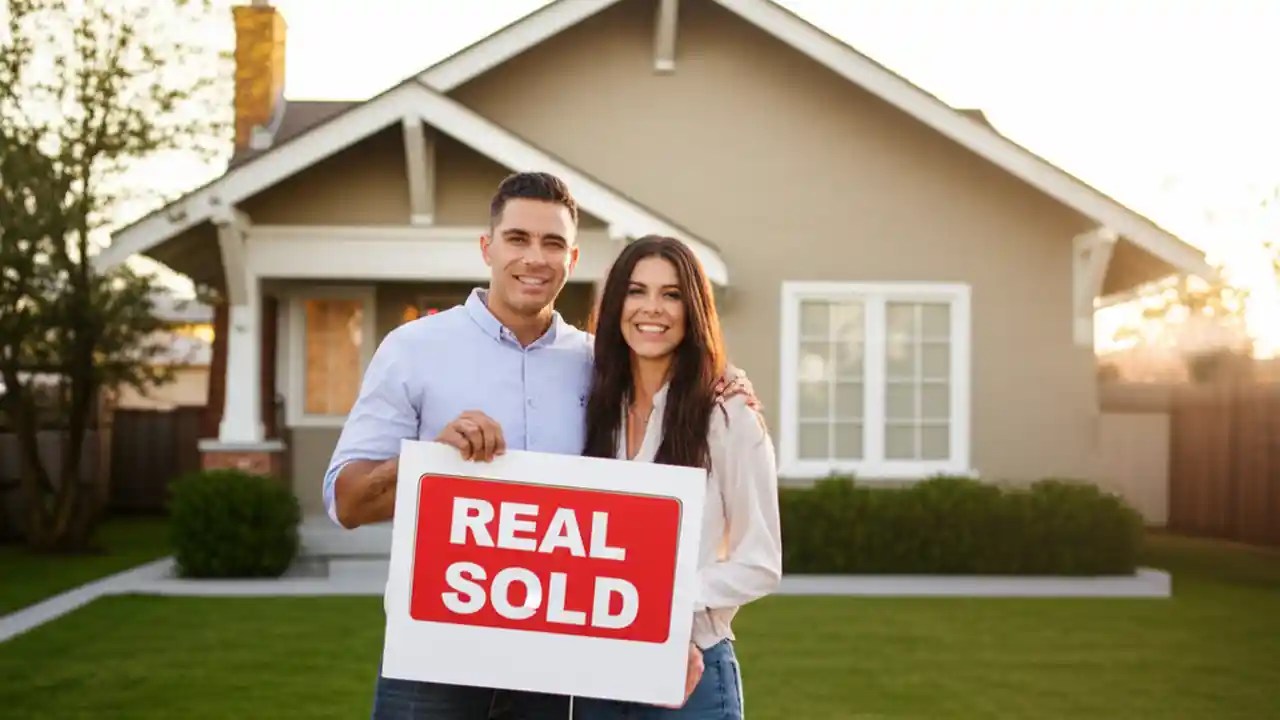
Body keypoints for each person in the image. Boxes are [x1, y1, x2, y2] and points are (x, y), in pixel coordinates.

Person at [323, 172, 755, 720]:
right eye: (518, 239)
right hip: (436, 654)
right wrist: (433, 457)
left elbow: (667, 413)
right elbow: (347, 502)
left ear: (572, 259)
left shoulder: (601, 364)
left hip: (551, 667)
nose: (535, 257)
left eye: (553, 243)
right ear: (487, 247)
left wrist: (728, 382)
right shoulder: (413, 349)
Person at [571, 235, 783, 720]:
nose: (653, 308)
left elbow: (761, 562)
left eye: (672, 295)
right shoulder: (593, 406)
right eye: (637, 291)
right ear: (615, 304)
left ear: (694, 310)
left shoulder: (728, 416)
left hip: (690, 678)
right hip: (596, 672)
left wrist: (660, 602)